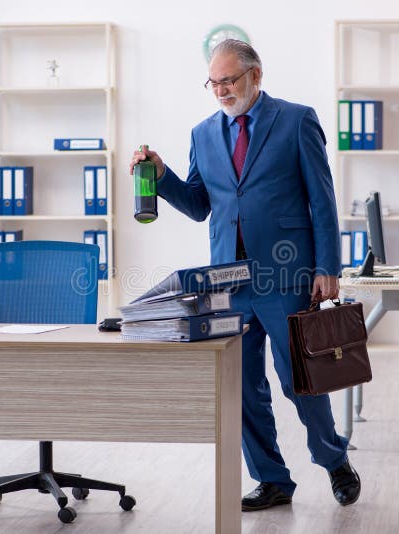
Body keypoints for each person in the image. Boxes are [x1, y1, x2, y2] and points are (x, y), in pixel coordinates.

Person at [129, 39, 360, 511]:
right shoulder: (203, 133)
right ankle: (272, 478)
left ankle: (333, 459)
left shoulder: (296, 120)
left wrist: (327, 267)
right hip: (228, 282)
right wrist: (162, 173)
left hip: (287, 276)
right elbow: (198, 205)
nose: (220, 90)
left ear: (256, 75)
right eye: (213, 82)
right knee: (241, 384)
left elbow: (322, 200)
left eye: (228, 80)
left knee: (300, 377)